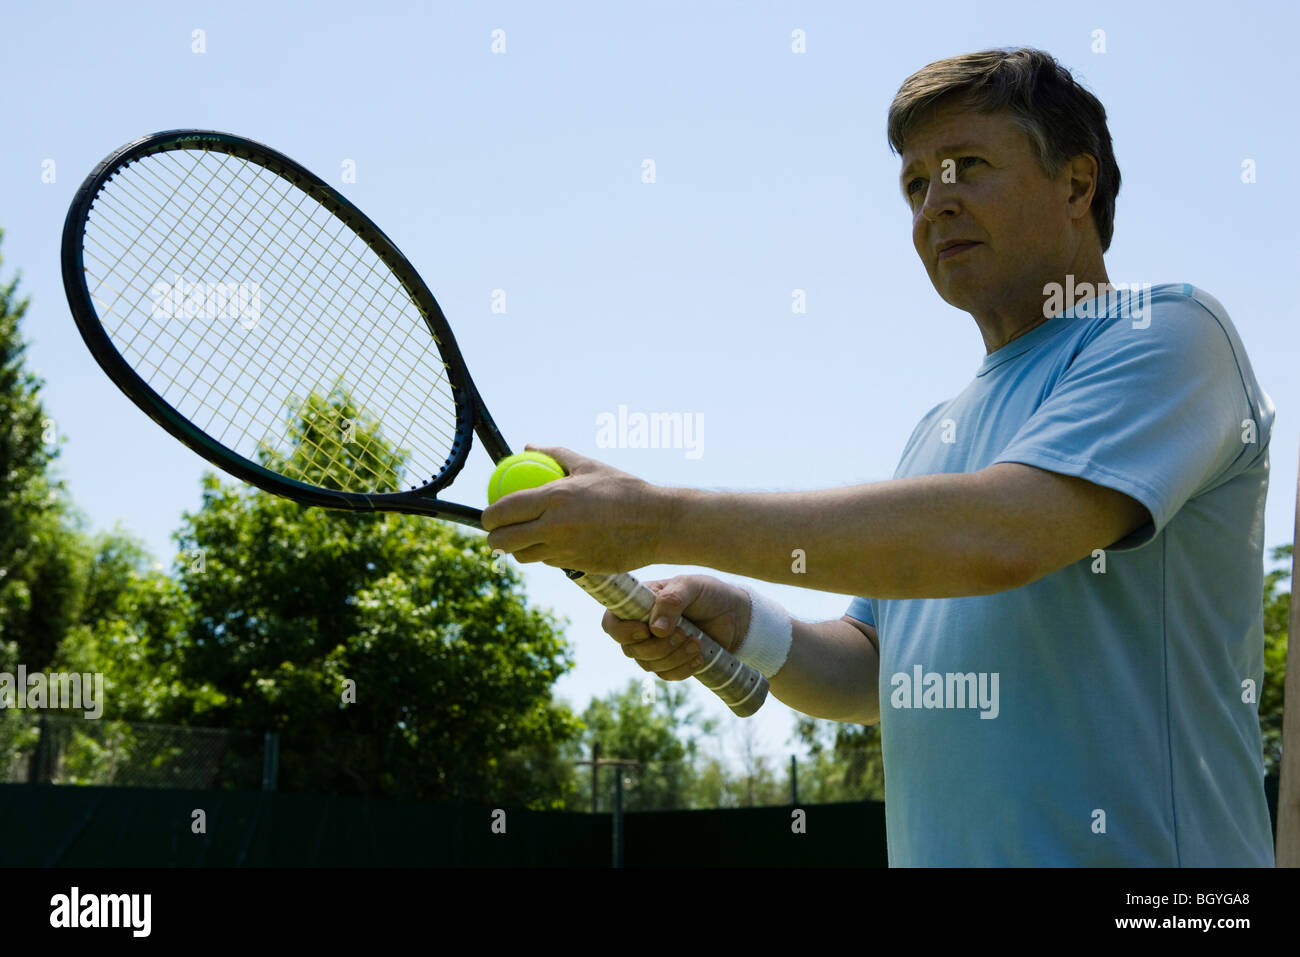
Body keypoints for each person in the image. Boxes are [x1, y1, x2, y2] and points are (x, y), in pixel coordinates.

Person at [482, 47, 1276, 866]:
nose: (938, 202)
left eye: (969, 165)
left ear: (1078, 185)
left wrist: (659, 519)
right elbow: (871, 675)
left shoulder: (1170, 335)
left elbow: (1006, 536)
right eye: (916, 184)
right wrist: (744, 621)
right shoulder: (935, 430)